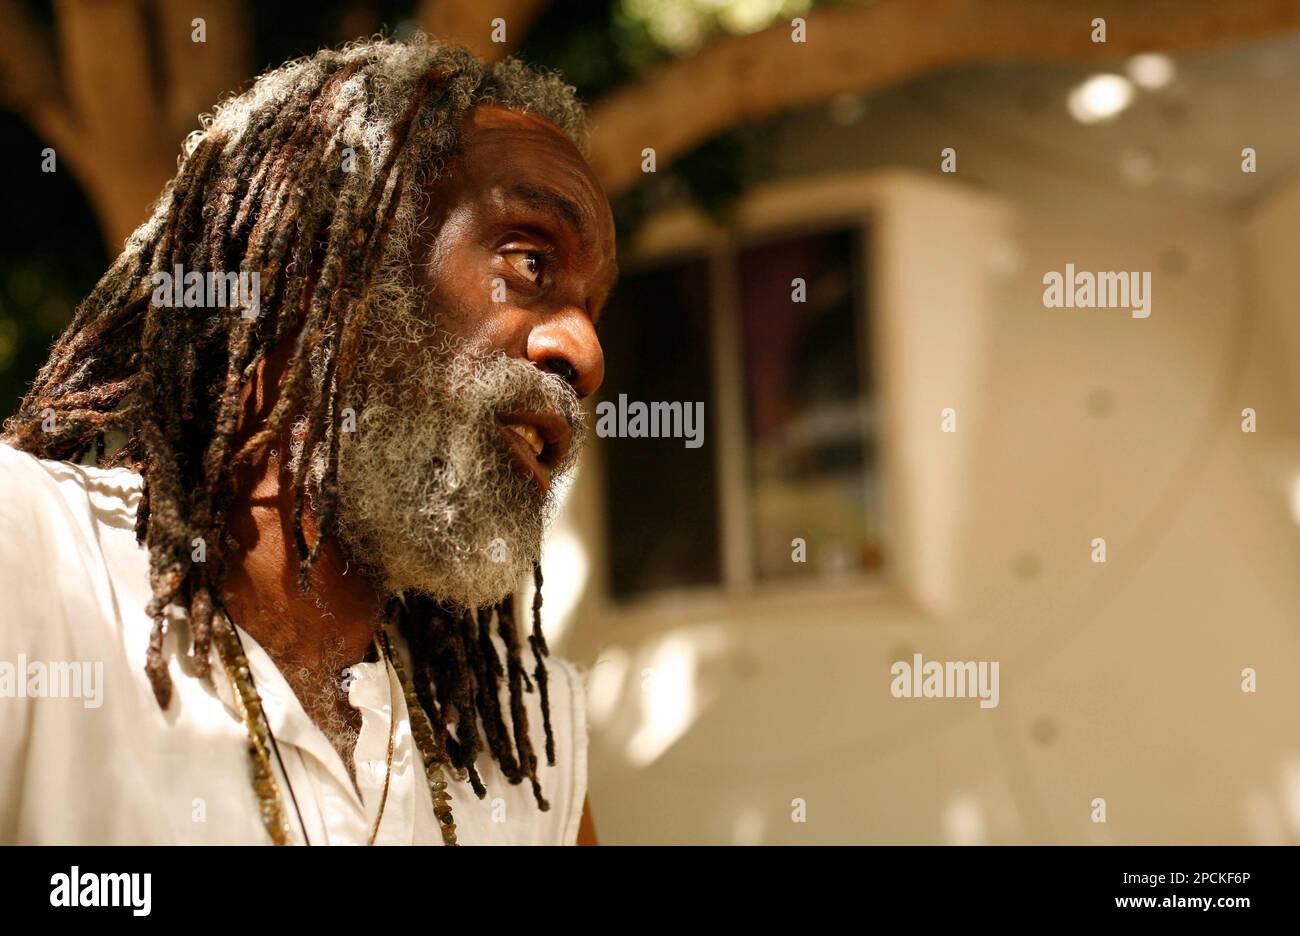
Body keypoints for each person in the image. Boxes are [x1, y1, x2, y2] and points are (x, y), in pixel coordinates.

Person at [0, 36, 617, 845]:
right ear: (333, 263)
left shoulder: (525, 740)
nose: (586, 354)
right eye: (530, 260)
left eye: (594, 307)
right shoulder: (32, 557)